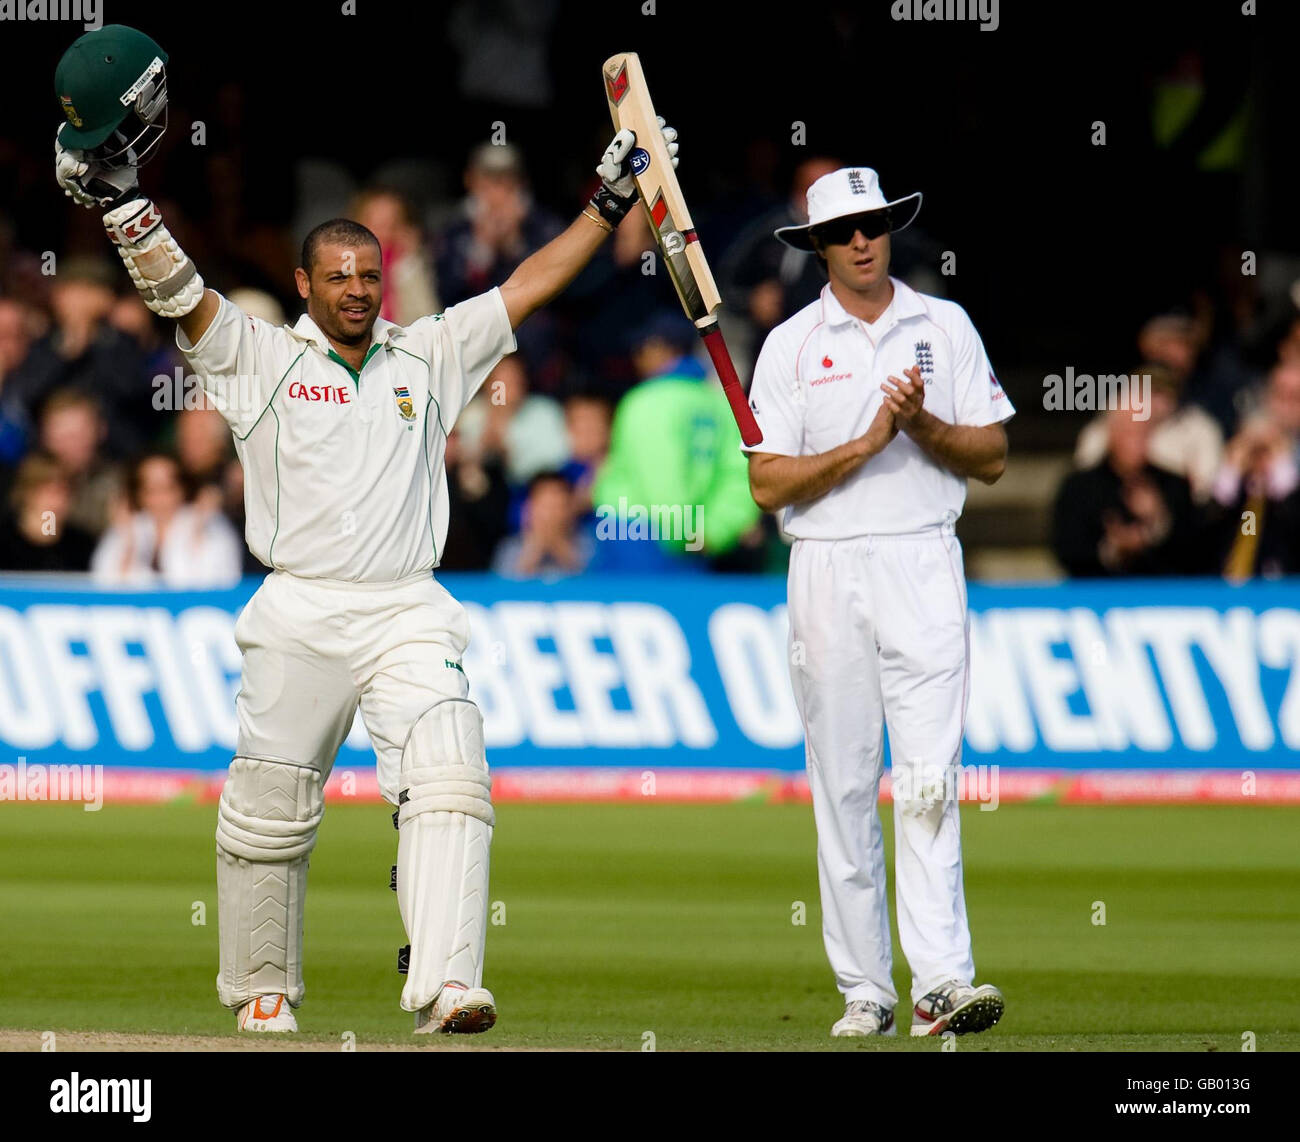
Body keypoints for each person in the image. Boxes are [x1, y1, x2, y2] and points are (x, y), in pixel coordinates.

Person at [53, 20, 678, 1037]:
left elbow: (528, 285)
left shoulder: (428, 351)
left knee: (451, 773)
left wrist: (611, 199)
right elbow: (180, 292)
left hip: (406, 606)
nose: (356, 289)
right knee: (266, 814)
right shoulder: (256, 356)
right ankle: (263, 986)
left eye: (369, 274)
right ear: (305, 284)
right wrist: (125, 202)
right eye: (337, 275)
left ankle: (446, 984)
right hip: (298, 605)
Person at [743, 167, 1010, 1039]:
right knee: (846, 786)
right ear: (818, 248)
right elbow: (766, 481)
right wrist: (868, 441)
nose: (863, 241)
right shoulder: (789, 344)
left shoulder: (946, 324)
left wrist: (924, 427)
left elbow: (995, 455)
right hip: (825, 568)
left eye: (876, 225)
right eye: (845, 230)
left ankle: (942, 980)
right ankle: (867, 987)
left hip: (923, 560)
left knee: (929, 781)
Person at [591, 312, 761, 571]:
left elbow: (662, 476)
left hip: (638, 538)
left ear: (660, 348)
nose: (636, 357)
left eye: (641, 348)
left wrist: (680, 535)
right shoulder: (721, 404)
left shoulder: (645, 401)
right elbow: (742, 475)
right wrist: (712, 532)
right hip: (699, 544)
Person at [1052, 408, 1205, 577]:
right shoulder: (1079, 487)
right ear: (1112, 435)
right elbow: (1067, 548)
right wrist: (1113, 548)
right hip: (1096, 591)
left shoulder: (1173, 485)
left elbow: (1194, 551)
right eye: (1129, 433)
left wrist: (1158, 520)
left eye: (1142, 433)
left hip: (1159, 590)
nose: (1136, 442)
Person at [91, 452, 244, 588]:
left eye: (167, 487)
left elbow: (223, 580)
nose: (160, 497)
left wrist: (197, 531)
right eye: (150, 489)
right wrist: (128, 541)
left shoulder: (209, 522)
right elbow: (103, 583)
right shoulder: (128, 527)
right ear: (137, 493)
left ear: (182, 488)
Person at [0, 452, 97, 573]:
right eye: (46, 492)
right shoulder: (4, 541)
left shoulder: (84, 545)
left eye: (63, 492)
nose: (56, 500)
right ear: (26, 492)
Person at [491, 470, 593, 581]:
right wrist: (534, 549)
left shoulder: (588, 544)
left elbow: (595, 583)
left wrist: (558, 545)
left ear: (570, 509)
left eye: (557, 506)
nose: (550, 514)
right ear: (529, 508)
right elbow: (502, 590)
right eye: (545, 506)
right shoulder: (509, 548)